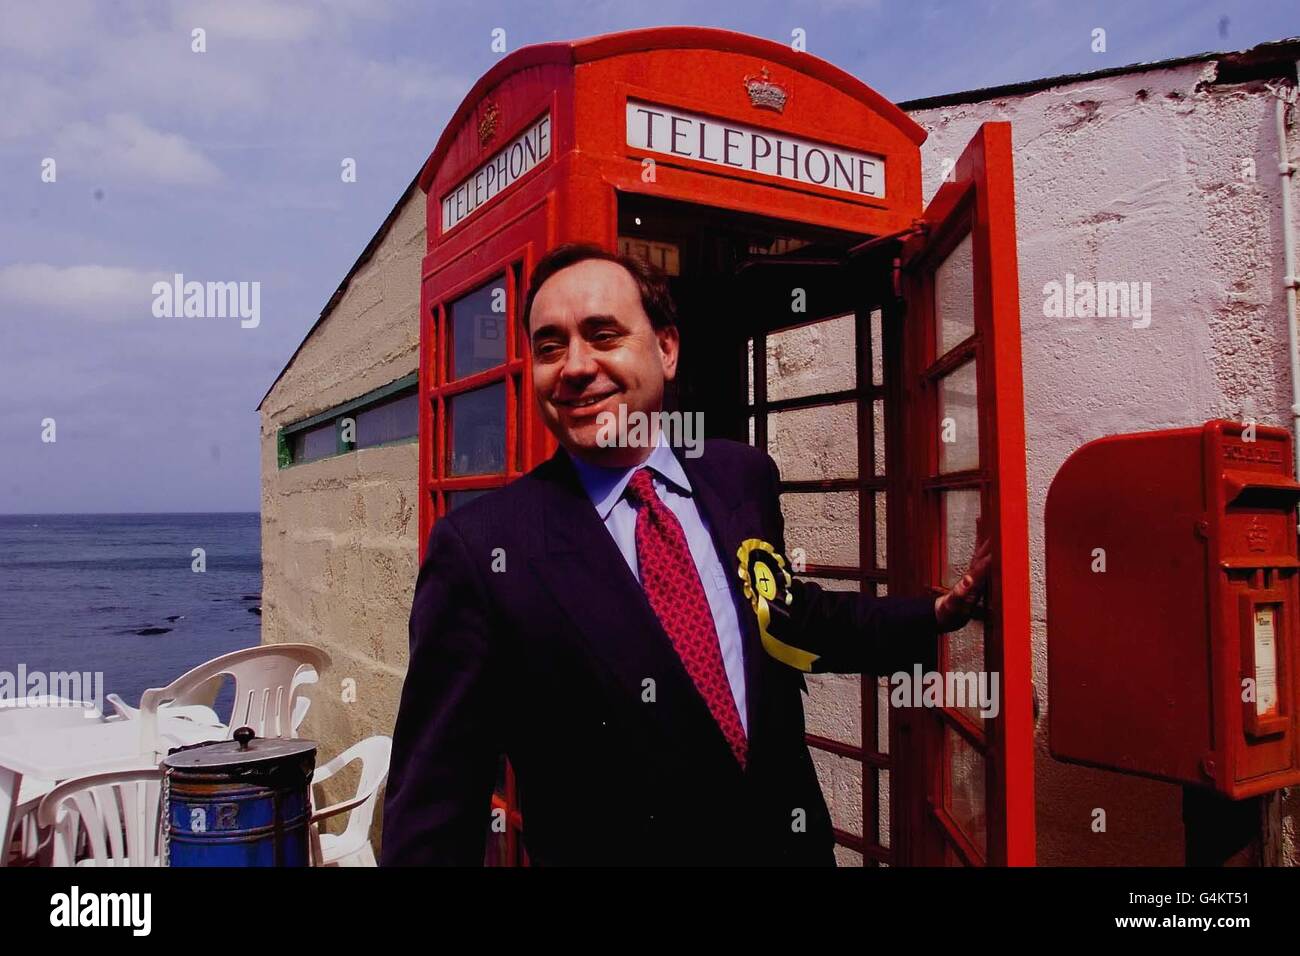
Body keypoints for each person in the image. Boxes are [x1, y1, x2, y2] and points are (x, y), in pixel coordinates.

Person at [381, 243, 991, 866]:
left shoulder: (741, 476)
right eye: (549, 346)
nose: (574, 366)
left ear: (666, 349)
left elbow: (790, 618)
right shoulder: (483, 549)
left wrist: (937, 612)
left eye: (603, 334)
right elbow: (434, 809)